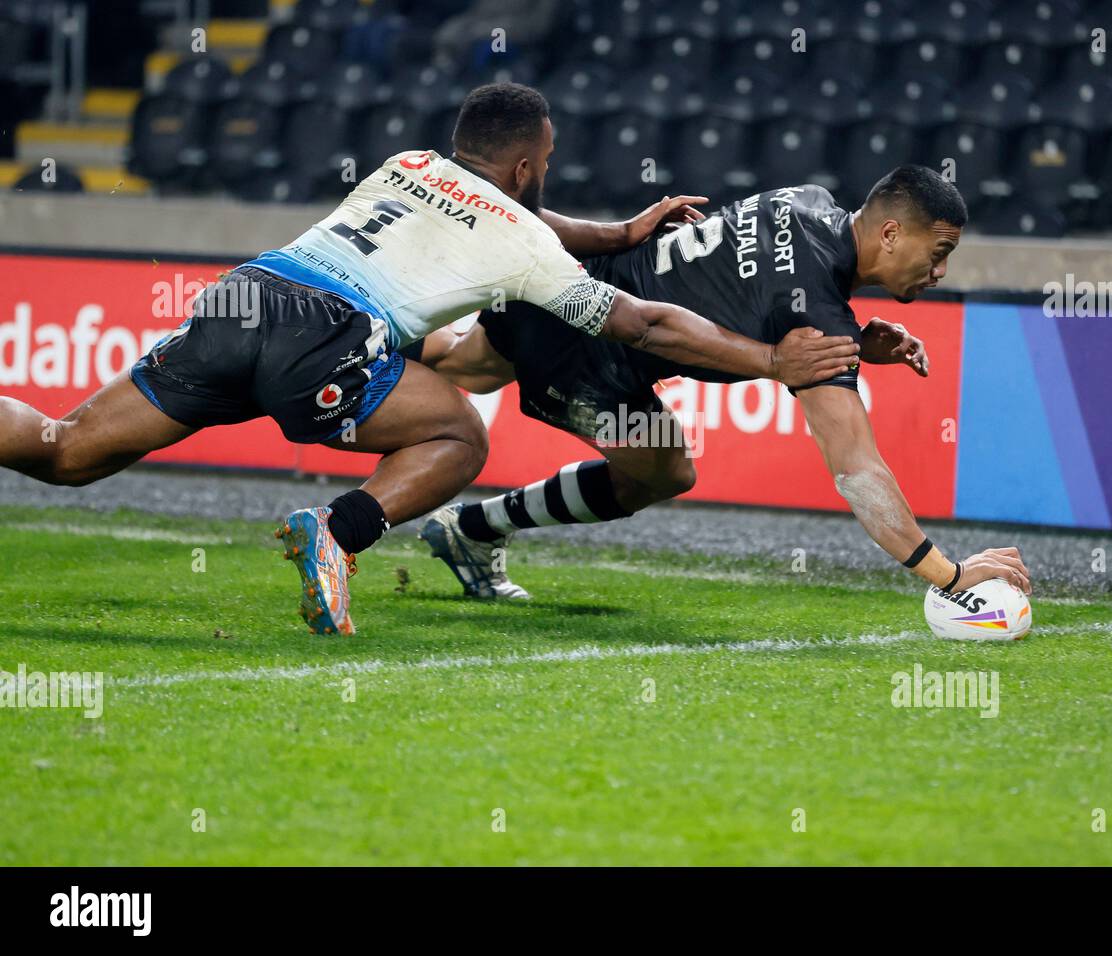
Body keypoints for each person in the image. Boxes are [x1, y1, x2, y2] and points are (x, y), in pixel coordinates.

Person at [0, 83, 859, 634]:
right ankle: (337, 536)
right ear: (527, 165)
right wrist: (770, 362)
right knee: (457, 438)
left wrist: (618, 231)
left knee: (65, 449)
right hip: (324, 335)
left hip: (248, 293)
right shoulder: (525, 243)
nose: (547, 174)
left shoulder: (406, 162)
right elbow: (641, 325)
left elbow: (508, 213)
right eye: (547, 162)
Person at [417, 166, 1031, 599]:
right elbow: (859, 471)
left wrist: (851, 338)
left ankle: (358, 333)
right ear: (892, 234)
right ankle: (471, 528)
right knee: (664, 471)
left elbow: (765, 284)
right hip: (594, 357)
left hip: (581, 280)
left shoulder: (809, 199)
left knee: (464, 363)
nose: (942, 271)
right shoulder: (814, 314)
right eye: (940, 250)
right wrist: (949, 575)